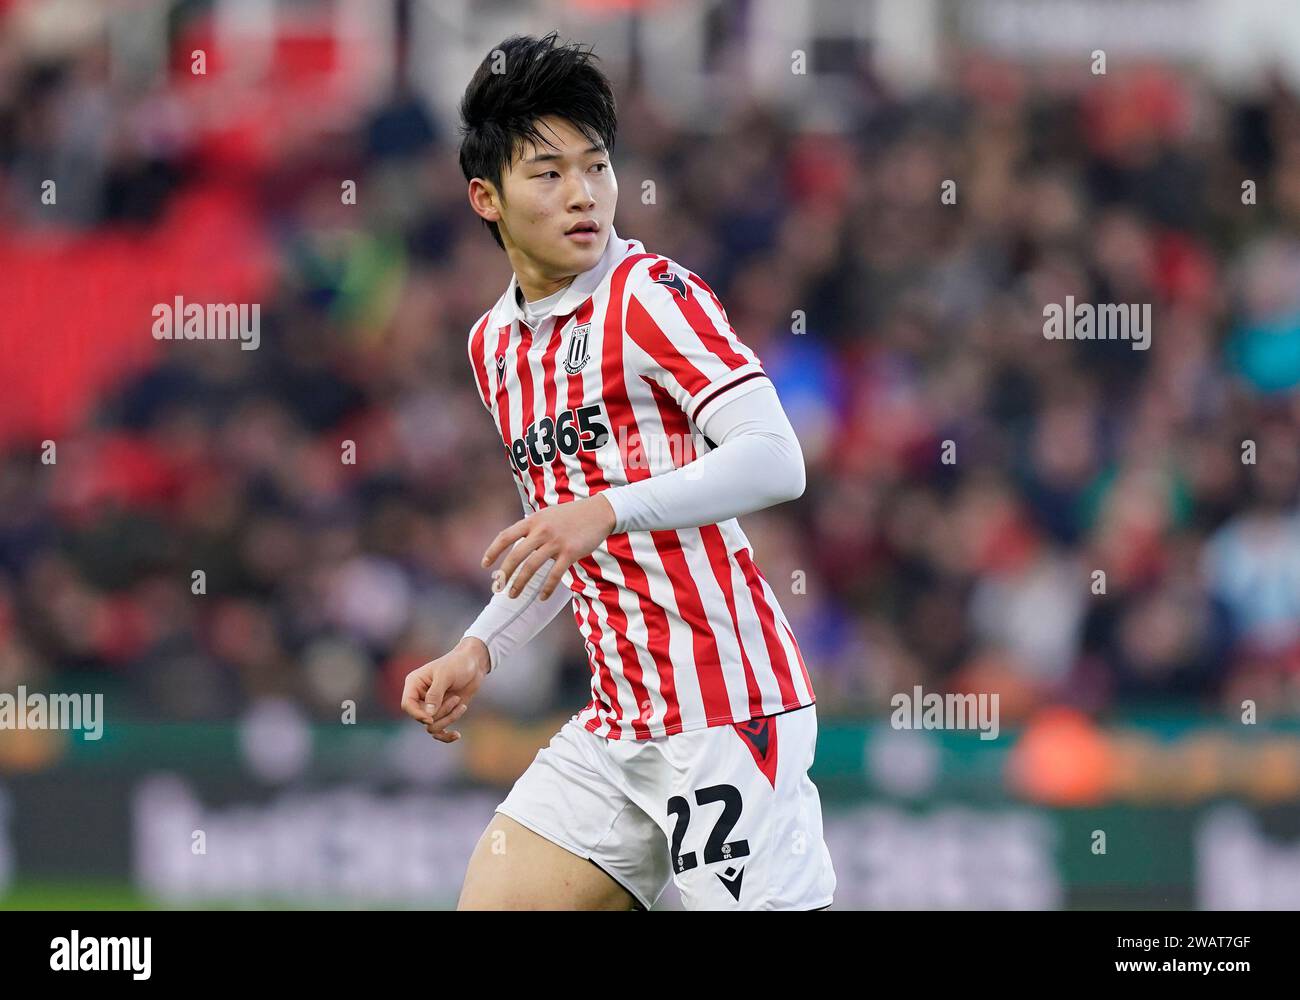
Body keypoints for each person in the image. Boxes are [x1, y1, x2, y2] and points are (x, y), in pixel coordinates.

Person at [400, 31, 835, 911]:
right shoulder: (494, 347)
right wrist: (481, 646)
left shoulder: (650, 298)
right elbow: (560, 542)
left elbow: (776, 458)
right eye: (549, 173)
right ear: (486, 197)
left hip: (724, 712)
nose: (583, 194)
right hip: (618, 723)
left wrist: (607, 509)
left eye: (596, 167)